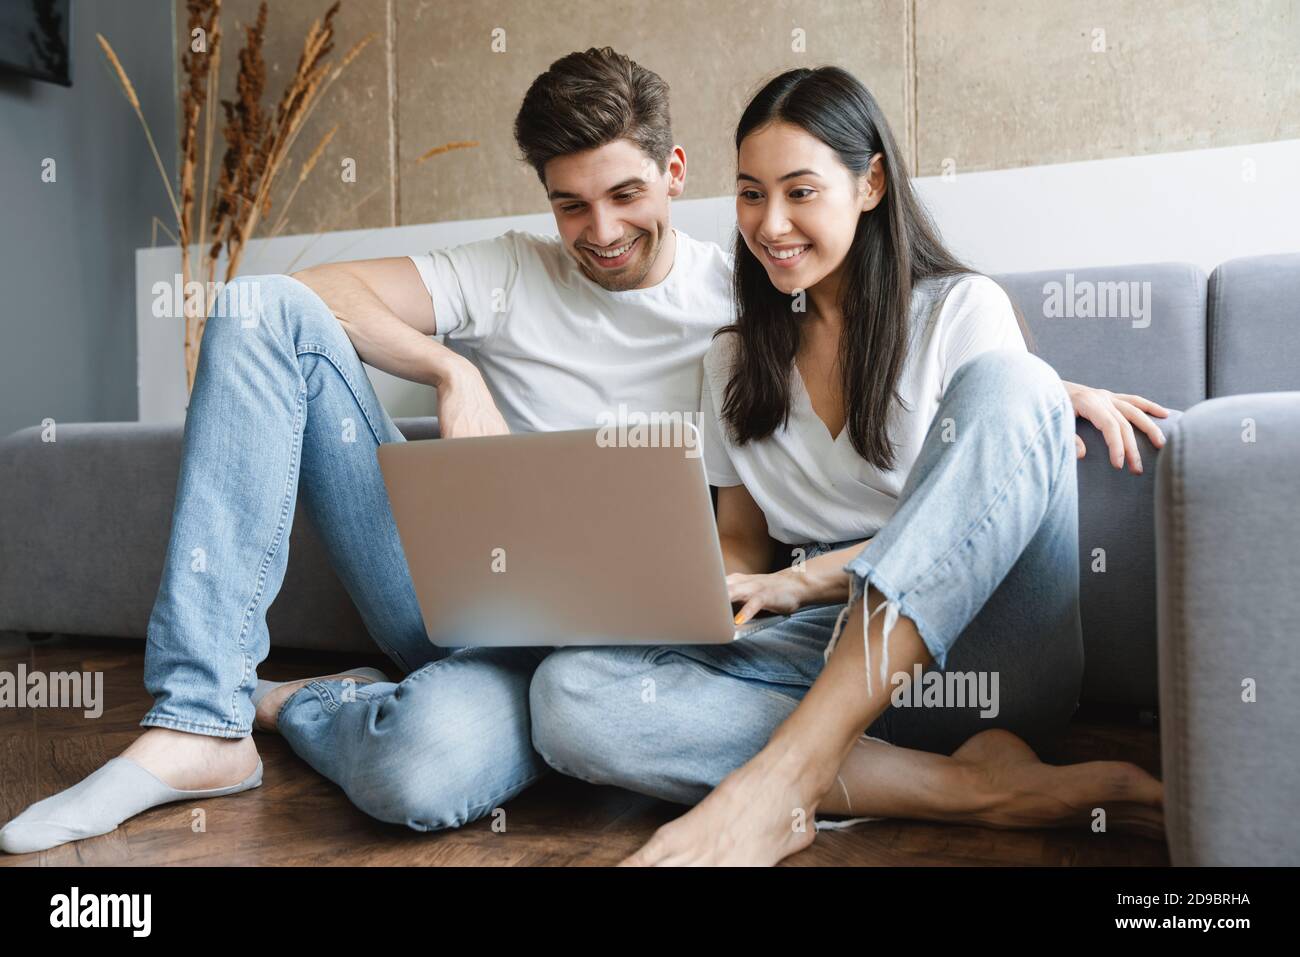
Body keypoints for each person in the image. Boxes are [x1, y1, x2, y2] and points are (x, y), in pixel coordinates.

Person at [1, 50, 1164, 855]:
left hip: (908, 643)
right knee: (261, 313)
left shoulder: (829, 304)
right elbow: (732, 552)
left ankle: (822, 784)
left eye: (625, 195)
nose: (599, 233)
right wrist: (449, 370)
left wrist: (1032, 390)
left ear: (673, 175)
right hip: (528, 617)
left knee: (441, 762)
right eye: (570, 206)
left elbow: (962, 448)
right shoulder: (716, 342)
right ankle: (208, 721)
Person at [528, 65, 1167, 866]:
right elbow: (742, 544)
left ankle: (780, 784)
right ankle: (976, 789)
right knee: (569, 694)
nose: (771, 222)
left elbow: (963, 528)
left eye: (800, 191)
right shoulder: (729, 361)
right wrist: (703, 602)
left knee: (1019, 383)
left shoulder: (962, 312)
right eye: (751, 193)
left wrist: (804, 579)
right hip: (817, 654)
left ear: (869, 185)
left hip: (981, 657)